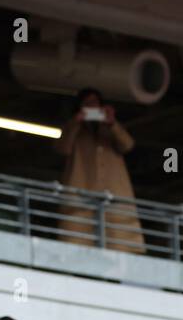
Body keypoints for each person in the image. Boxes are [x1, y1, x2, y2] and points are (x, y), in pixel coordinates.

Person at [54, 88, 143, 253]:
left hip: (112, 197)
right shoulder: (74, 129)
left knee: (118, 243)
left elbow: (128, 145)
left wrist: (112, 123)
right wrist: (76, 121)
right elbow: (62, 148)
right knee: (77, 243)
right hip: (81, 197)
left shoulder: (110, 128)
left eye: (95, 103)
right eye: (87, 104)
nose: (92, 108)